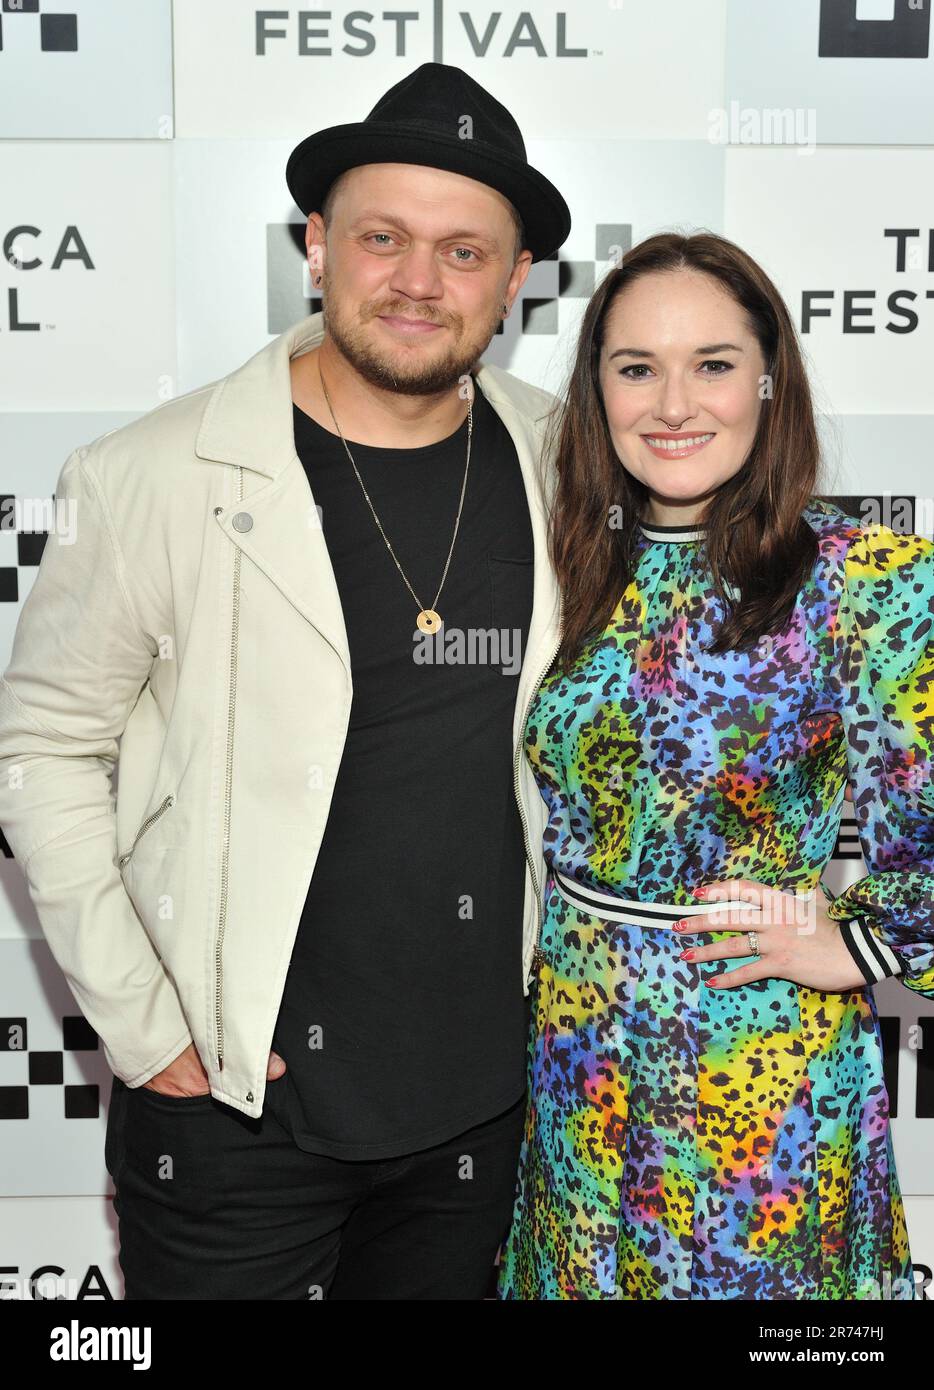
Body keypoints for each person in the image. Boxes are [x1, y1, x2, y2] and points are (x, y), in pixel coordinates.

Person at [0, 62, 569, 1299]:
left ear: (516, 280)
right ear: (315, 246)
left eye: (465, 252)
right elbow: (43, 749)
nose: (420, 281)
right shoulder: (154, 472)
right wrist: (146, 1032)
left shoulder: (566, 459)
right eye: (382, 237)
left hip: (484, 1111)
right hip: (230, 1112)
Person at [496, 231, 934, 1301]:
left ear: (769, 379)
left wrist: (861, 944)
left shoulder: (865, 579)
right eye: (636, 367)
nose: (673, 405)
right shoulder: (564, 563)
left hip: (758, 1076)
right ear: (596, 387)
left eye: (714, 364)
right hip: (574, 1062)